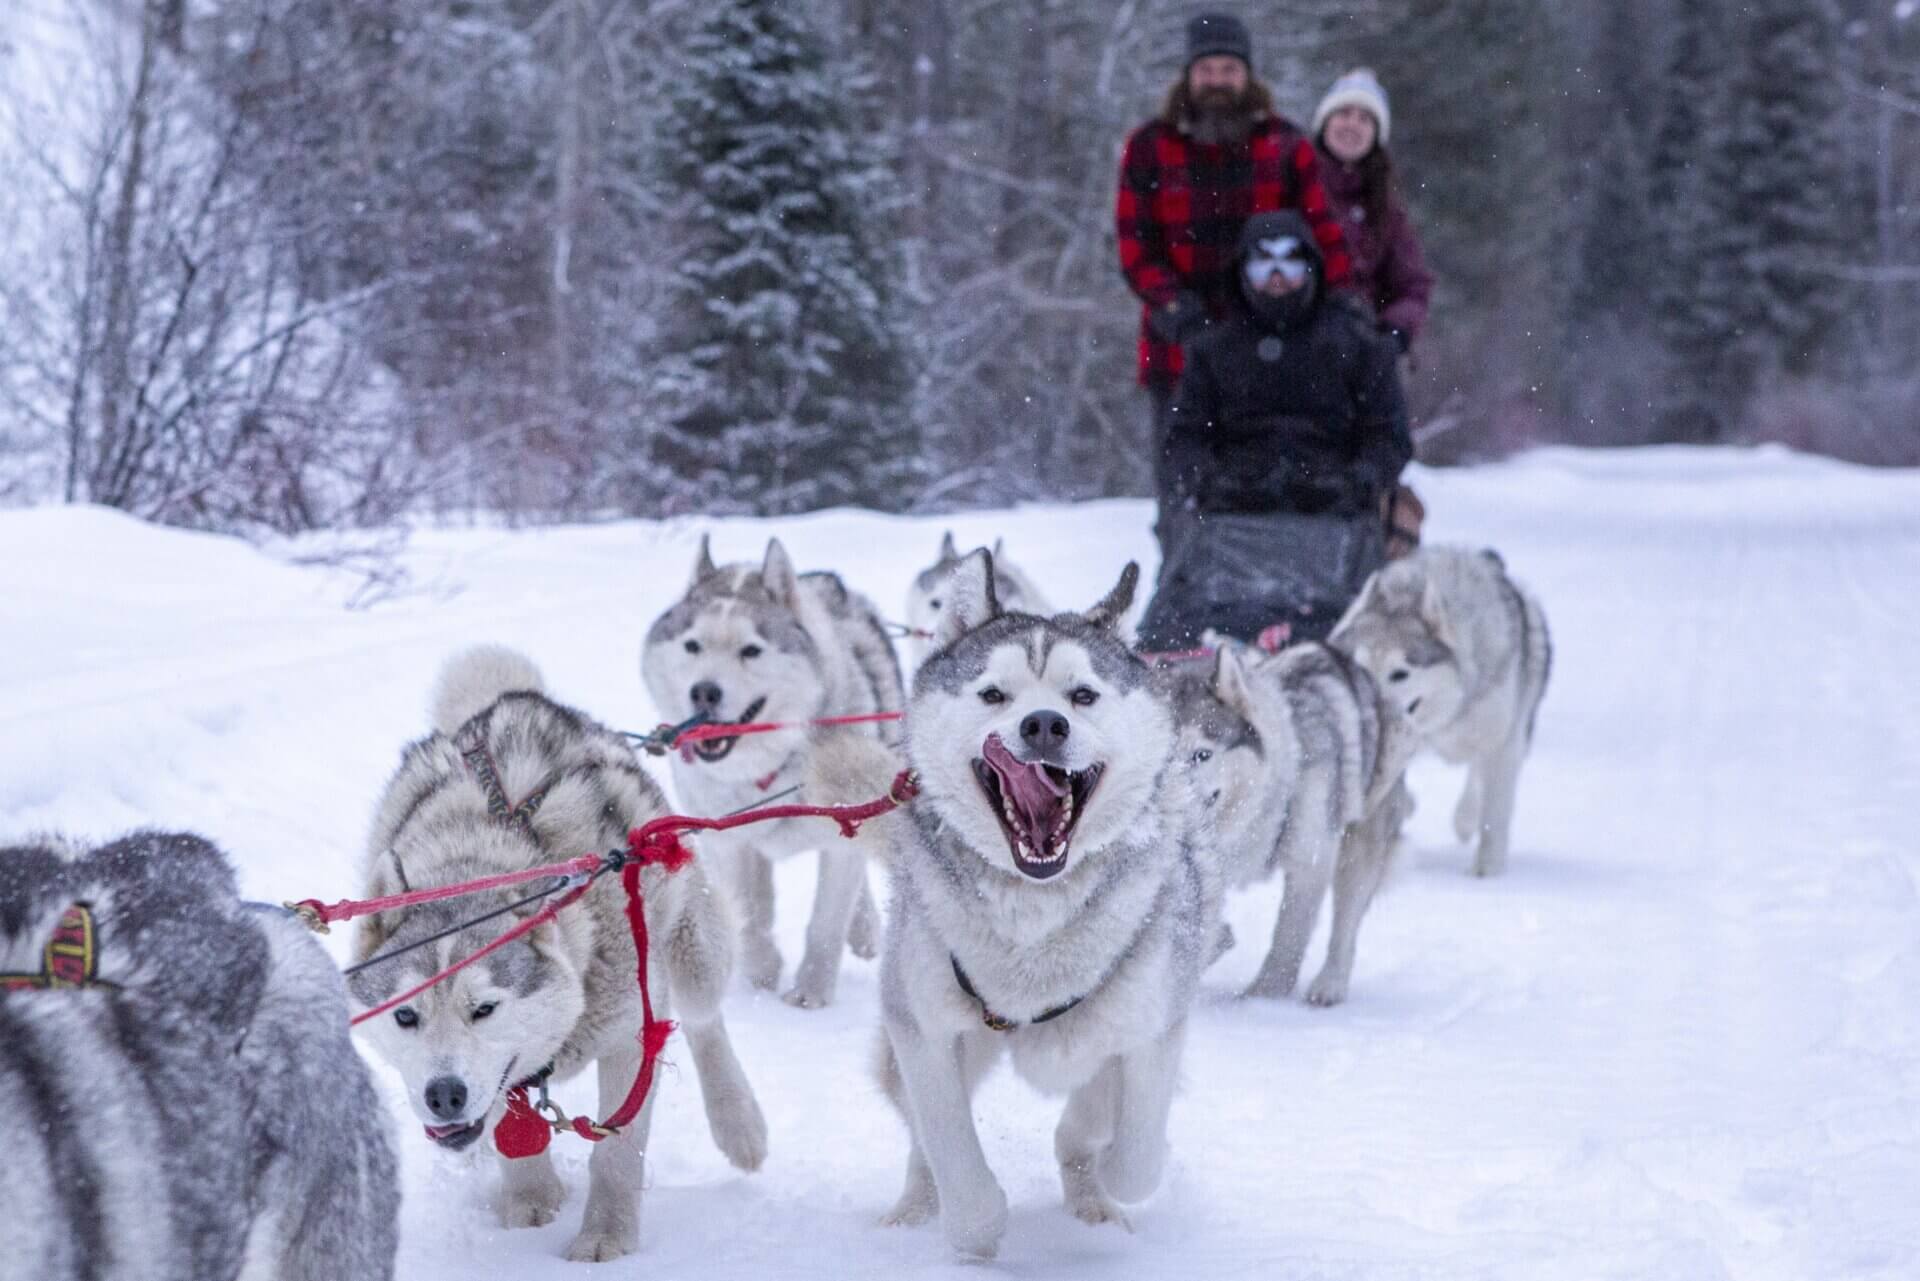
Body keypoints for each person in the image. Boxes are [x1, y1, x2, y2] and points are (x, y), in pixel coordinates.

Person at [1116, 13, 1351, 530]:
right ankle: (1182, 589)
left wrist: (1340, 305)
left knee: (1267, 491)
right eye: (1208, 68)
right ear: (1189, 74)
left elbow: (1323, 239)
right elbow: (1134, 247)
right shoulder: (1149, 147)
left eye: (1229, 68)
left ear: (1247, 75)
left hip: (1273, 354)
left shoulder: (1286, 145)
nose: (1218, 80)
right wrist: (1176, 307)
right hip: (1179, 351)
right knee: (1182, 490)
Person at [1136, 210, 1410, 650]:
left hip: (1332, 508)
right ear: (1243, 270)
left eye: (1290, 260)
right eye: (1264, 261)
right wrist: (1203, 475)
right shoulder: (1213, 350)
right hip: (1233, 510)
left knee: (1366, 630)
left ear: (1312, 266)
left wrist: (1362, 477)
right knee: (1175, 627)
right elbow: (1185, 436)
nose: (1277, 275)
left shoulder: (1359, 346)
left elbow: (1389, 435)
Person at [1312, 68, 1433, 558]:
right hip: (1295, 347)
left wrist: (1394, 334)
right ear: (1324, 122)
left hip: (1362, 359)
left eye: (1365, 118)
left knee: (1374, 464)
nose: (1352, 124)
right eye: (1344, 113)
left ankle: (1368, 563)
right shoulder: (1294, 184)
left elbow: (1413, 283)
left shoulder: (1385, 203)